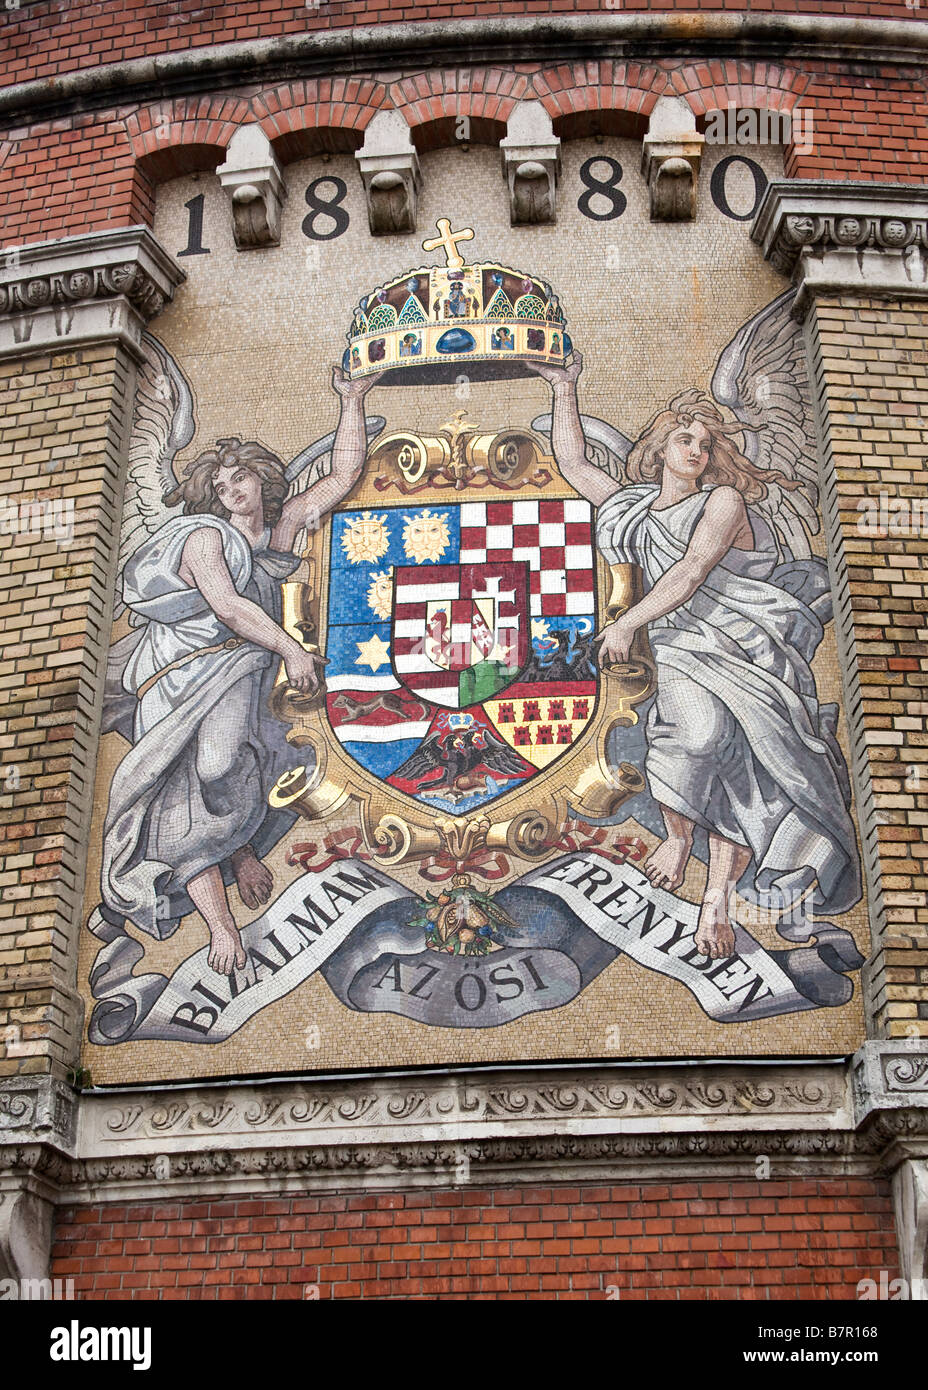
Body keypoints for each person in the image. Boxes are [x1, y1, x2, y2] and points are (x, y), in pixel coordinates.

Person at [530, 353, 861, 960]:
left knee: (751, 768)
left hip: (745, 640)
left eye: (706, 444)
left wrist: (627, 622)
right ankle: (682, 843)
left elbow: (690, 571)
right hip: (680, 644)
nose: (698, 451)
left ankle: (716, 897)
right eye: (685, 439)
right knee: (703, 737)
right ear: (659, 449)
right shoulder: (631, 506)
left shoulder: (723, 503)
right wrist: (564, 385)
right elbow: (575, 463)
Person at [100, 366, 381, 975]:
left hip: (237, 667)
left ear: (261, 480)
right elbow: (230, 606)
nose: (231, 488)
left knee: (222, 765)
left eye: (242, 476)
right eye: (221, 482)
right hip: (176, 673)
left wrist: (351, 400)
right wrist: (291, 648)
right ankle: (221, 926)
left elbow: (342, 476)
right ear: (209, 493)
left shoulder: (278, 529)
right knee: (183, 789)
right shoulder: (201, 537)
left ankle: (239, 846)